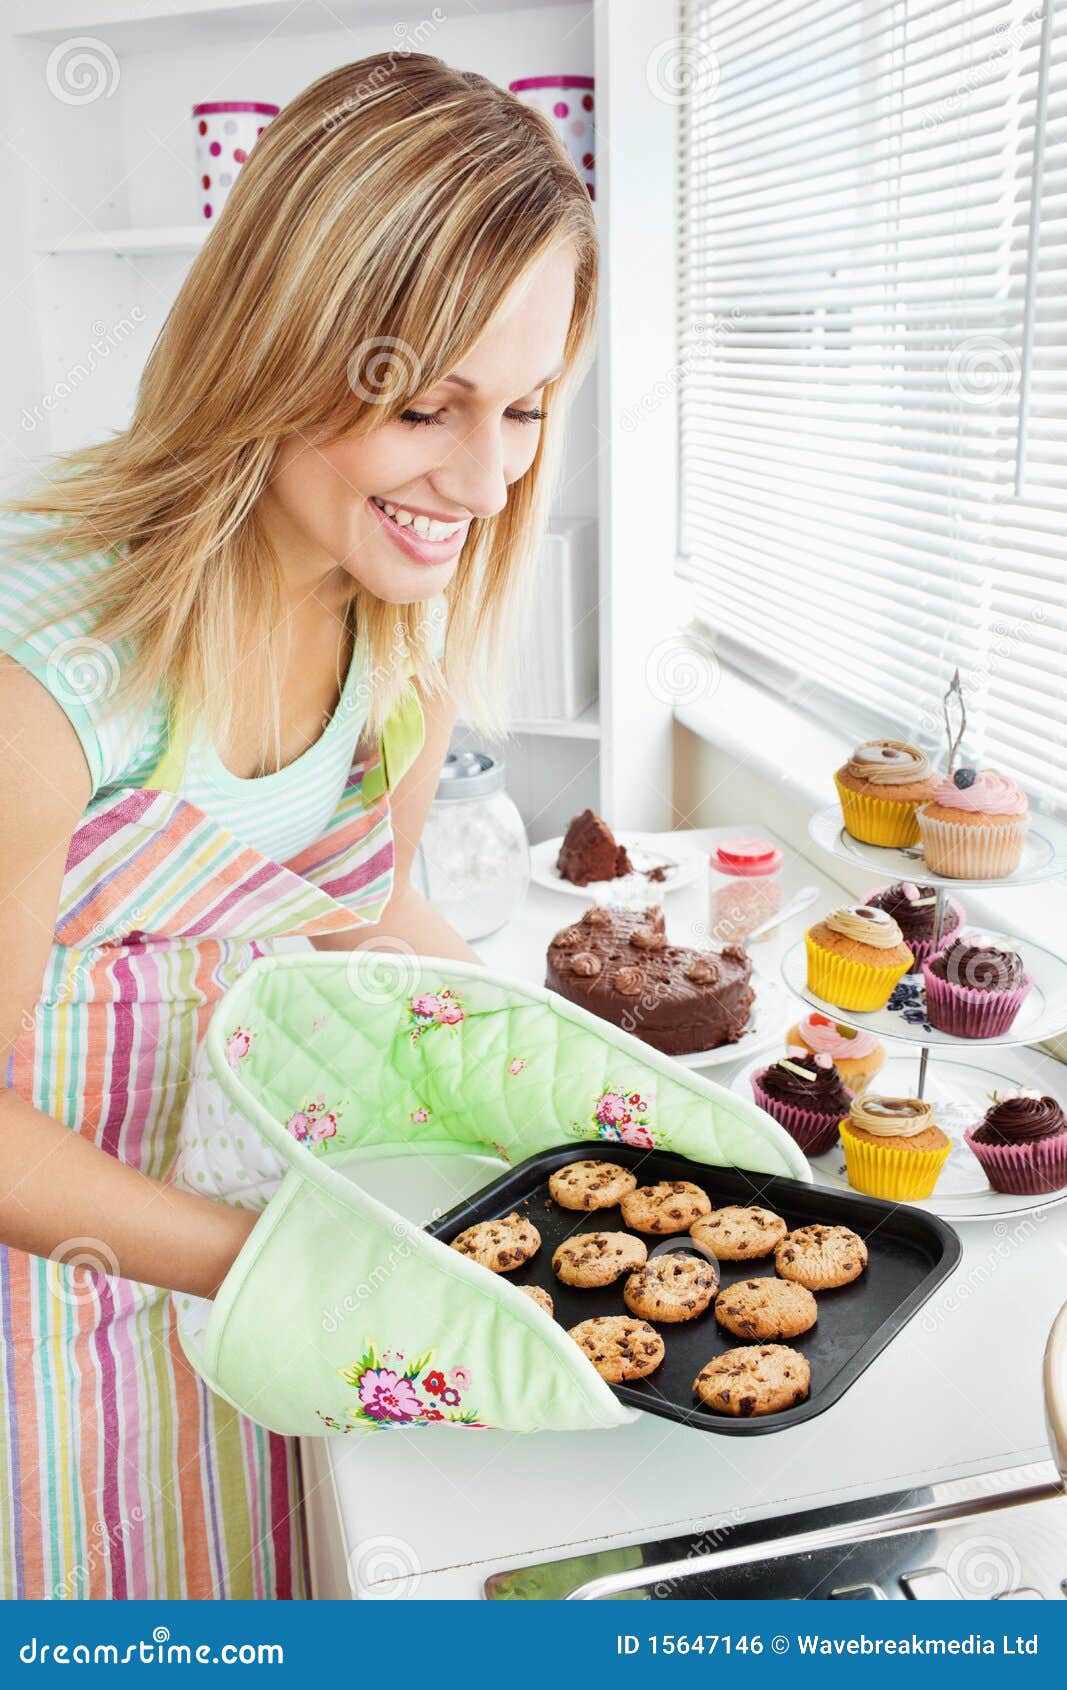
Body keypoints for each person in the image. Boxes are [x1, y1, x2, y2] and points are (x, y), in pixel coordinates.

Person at [0, 53, 596, 1599]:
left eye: (526, 406)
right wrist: (293, 1268)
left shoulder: (393, 636)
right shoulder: (47, 675)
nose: (483, 476)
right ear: (279, 347)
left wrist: (561, 1088)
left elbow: (356, 908)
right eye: (425, 403)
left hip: (231, 1300)